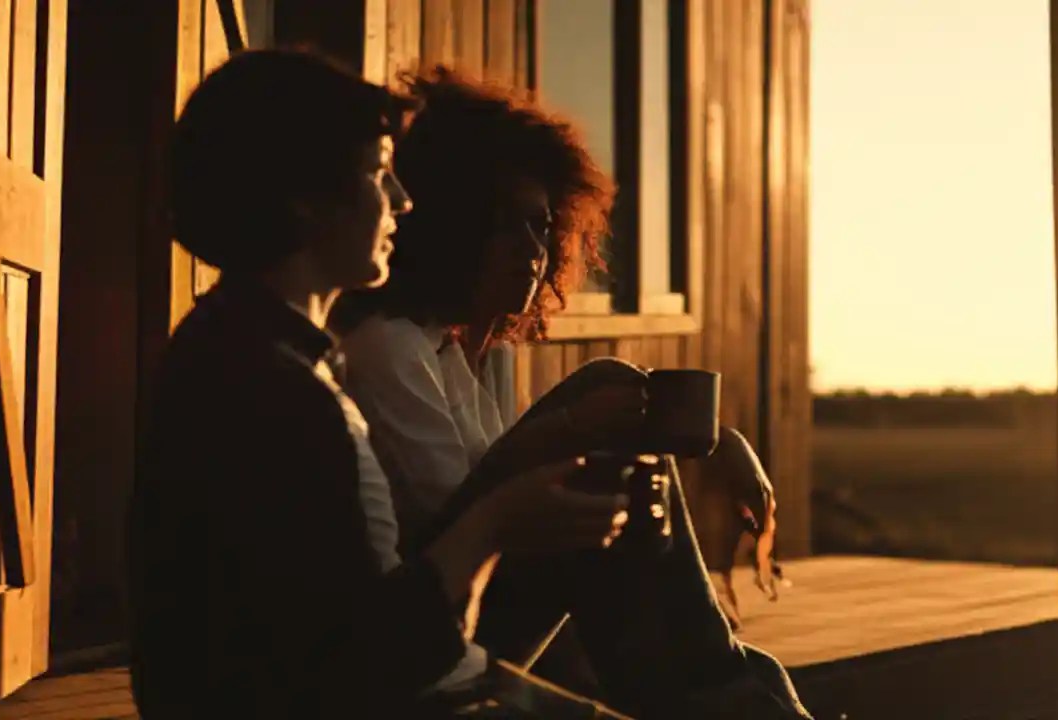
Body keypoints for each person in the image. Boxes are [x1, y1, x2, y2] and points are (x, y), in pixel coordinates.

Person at [127, 50, 632, 718]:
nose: (402, 199)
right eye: (377, 172)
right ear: (307, 203)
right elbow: (377, 666)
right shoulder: (277, 394)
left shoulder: (243, 351)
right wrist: (495, 523)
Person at [333, 67, 810, 718]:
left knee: (735, 661)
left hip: (497, 606)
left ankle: (721, 683)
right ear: (455, 226)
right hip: (433, 633)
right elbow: (462, 531)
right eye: (508, 226)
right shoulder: (388, 346)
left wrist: (720, 438)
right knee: (607, 388)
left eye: (543, 227)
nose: (533, 249)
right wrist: (569, 434)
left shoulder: (475, 354)